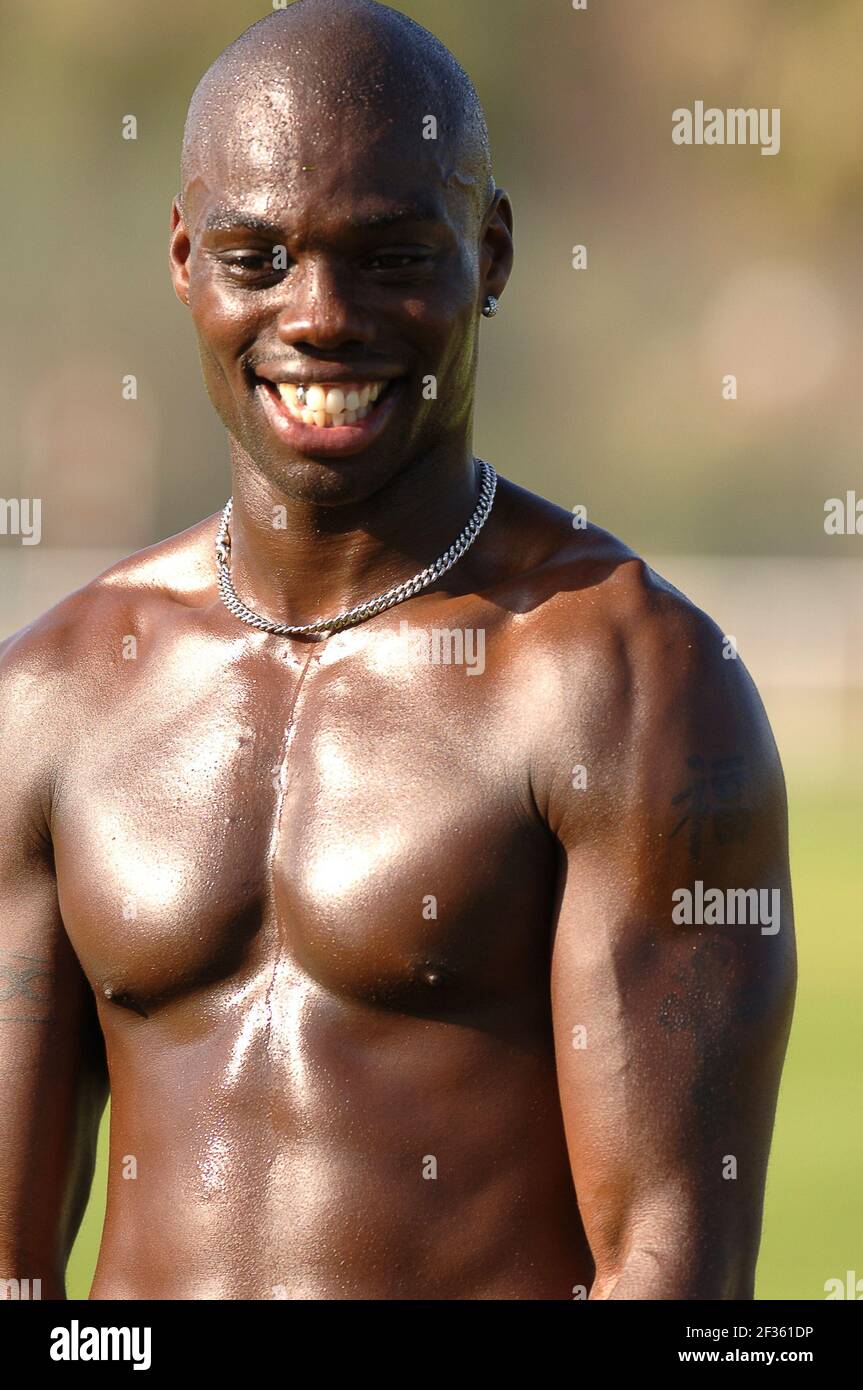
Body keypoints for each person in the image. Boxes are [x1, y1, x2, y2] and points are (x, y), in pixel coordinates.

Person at [0, 0, 795, 1300]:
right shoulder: (47, 698)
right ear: (185, 259)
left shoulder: (631, 686)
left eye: (390, 256)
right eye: (258, 256)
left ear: (491, 254)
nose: (319, 315)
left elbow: (672, 1268)